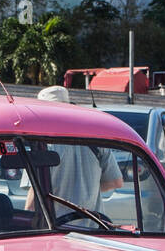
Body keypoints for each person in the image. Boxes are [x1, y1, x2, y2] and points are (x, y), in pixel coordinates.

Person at [23, 85, 123, 218]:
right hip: (94, 228)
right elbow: (116, 181)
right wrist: (84, 191)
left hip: (56, 230)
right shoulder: (96, 141)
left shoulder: (41, 146)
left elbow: (34, 196)